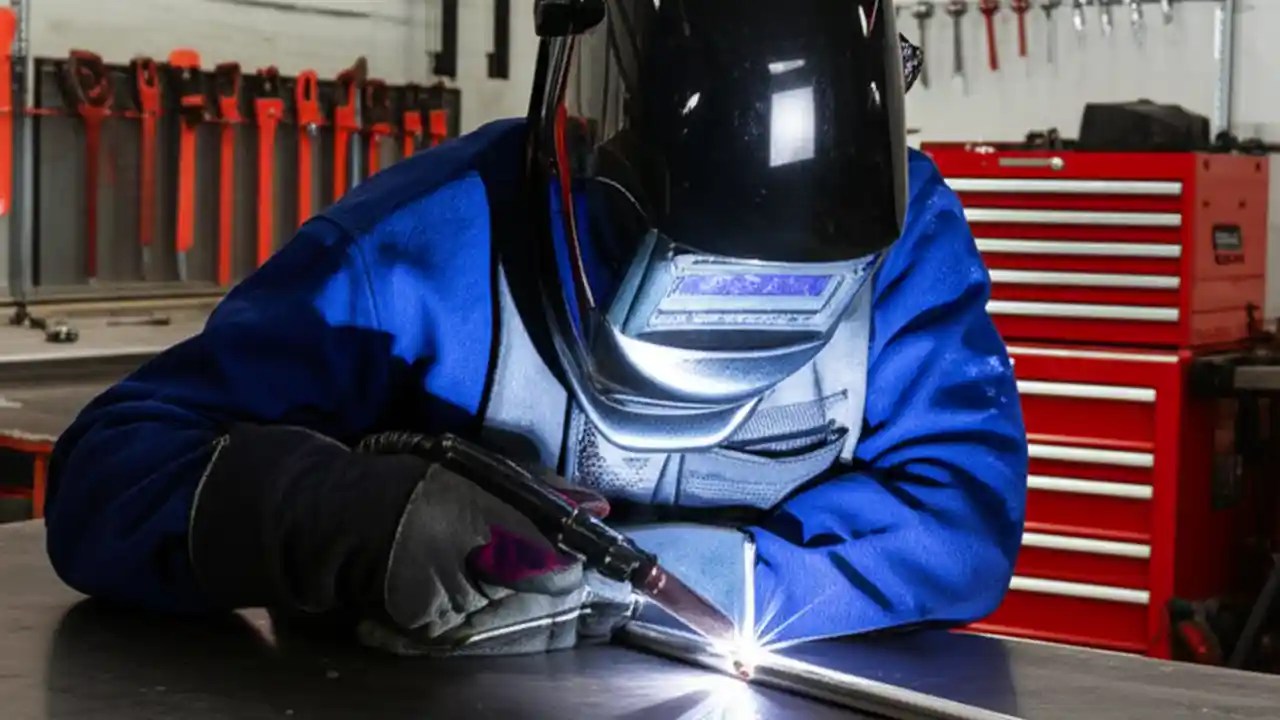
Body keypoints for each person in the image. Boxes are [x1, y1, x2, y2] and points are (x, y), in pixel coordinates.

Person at [44, 1, 1026, 656]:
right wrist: (344, 518)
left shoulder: (902, 247)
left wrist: (703, 584)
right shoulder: (407, 259)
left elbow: (963, 519)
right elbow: (105, 482)